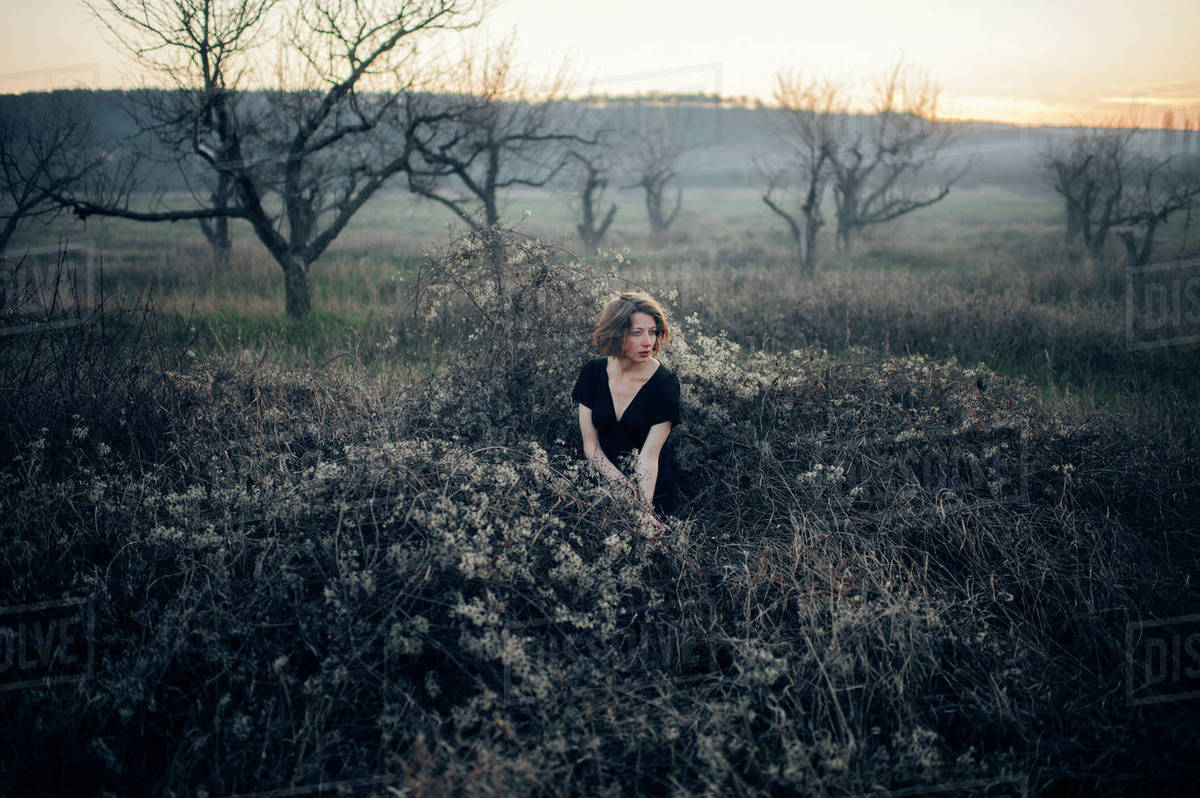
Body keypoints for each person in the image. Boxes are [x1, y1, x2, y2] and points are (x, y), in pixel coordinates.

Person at [572, 291, 682, 522]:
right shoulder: (592, 373)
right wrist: (621, 486)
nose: (648, 342)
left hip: (650, 488)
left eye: (652, 332)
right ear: (617, 334)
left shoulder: (665, 384)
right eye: (637, 333)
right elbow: (590, 444)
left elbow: (649, 456)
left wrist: (642, 509)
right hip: (601, 479)